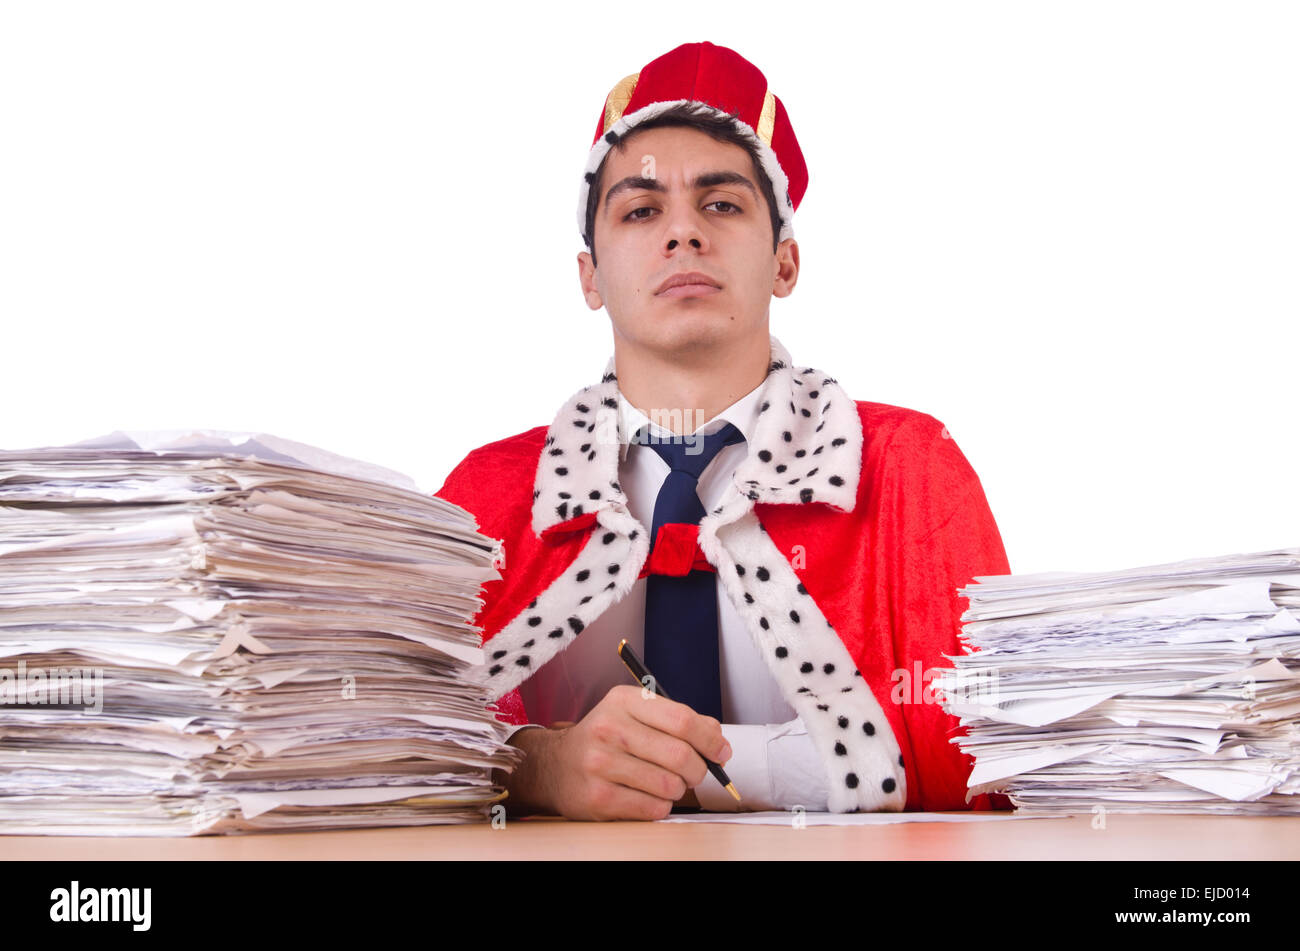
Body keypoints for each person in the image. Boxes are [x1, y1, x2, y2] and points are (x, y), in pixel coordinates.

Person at [436, 41, 1011, 821]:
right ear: (590, 277)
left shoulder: (911, 468)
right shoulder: (486, 495)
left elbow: (991, 754)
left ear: (784, 262)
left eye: (722, 203)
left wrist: (711, 766)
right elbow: (378, 740)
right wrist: (535, 764)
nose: (683, 234)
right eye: (641, 210)